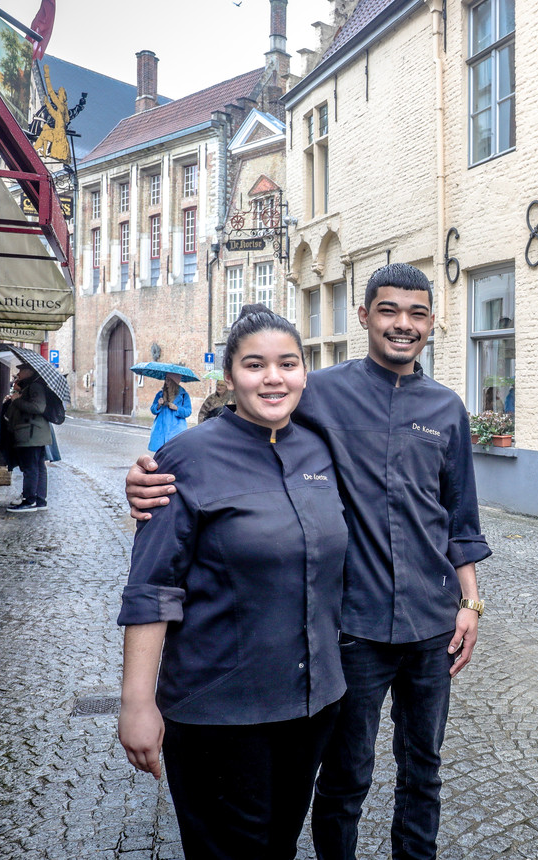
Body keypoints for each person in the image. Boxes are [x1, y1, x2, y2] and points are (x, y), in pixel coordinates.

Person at [128, 264, 489, 860]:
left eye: (417, 313)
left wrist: (470, 601)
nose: (403, 325)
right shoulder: (318, 389)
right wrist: (154, 472)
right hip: (355, 627)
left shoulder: (447, 408)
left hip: (432, 619)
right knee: (346, 775)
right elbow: (245, 428)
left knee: (423, 767)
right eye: (389, 311)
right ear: (364, 316)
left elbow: (459, 516)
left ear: (432, 322)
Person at [118, 306, 349, 860]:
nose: (273, 377)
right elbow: (153, 589)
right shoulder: (185, 461)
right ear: (229, 377)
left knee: (278, 849)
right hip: (218, 711)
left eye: (288, 364)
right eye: (255, 364)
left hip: (310, 706)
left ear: (304, 373)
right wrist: (136, 702)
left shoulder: (322, 449)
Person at [4, 365, 51, 512]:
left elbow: (38, 408)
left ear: (29, 372)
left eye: (21, 370)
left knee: (31, 468)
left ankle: (29, 501)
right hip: (34, 433)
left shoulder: (35, 386)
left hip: (31, 434)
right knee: (38, 467)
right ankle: (40, 501)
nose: (18, 373)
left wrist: (17, 400)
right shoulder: (30, 386)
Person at [149, 373, 191, 451]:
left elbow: (188, 411)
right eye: (166, 380)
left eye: (169, 380)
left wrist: (177, 408)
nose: (166, 382)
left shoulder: (184, 395)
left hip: (176, 430)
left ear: (174, 382)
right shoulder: (160, 394)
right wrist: (158, 405)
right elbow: (152, 409)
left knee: (174, 454)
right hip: (161, 429)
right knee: (160, 456)